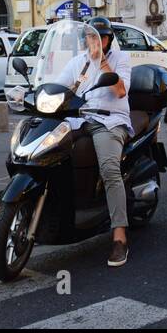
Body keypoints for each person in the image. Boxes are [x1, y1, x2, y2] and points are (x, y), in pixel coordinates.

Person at [51, 16, 133, 267]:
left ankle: (119, 236)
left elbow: (120, 91)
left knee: (109, 168)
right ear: (85, 39)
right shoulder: (77, 62)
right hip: (78, 119)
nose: (96, 41)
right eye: (91, 36)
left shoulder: (121, 60)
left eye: (102, 37)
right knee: (47, 153)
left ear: (109, 39)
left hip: (109, 121)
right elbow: (59, 87)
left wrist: (103, 61)